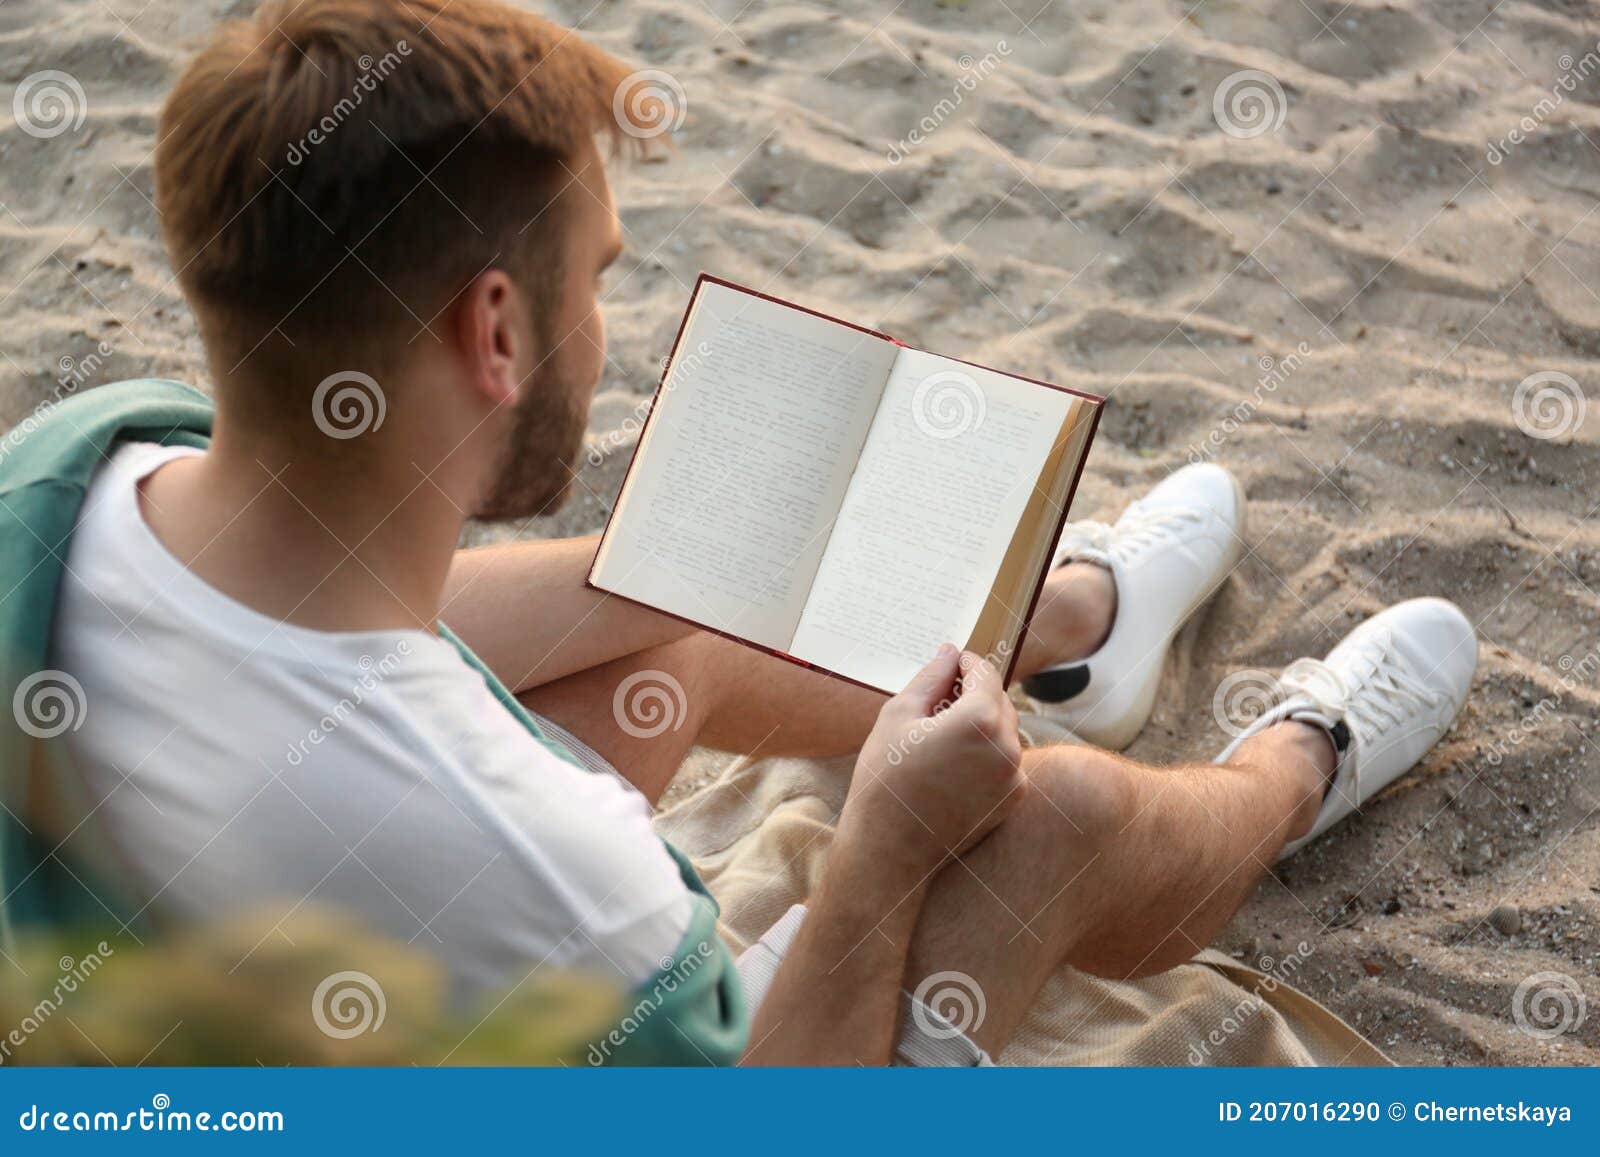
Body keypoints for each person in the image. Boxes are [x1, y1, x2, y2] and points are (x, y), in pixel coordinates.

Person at [1, 0, 1476, 1066]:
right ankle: (1300, 760)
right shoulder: (542, 861)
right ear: (496, 330)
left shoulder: (78, 465)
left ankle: (1064, 628)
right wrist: (889, 840)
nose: (603, 321)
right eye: (596, 277)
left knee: (678, 631)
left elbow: (367, 616)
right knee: (1064, 821)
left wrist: (663, 560)